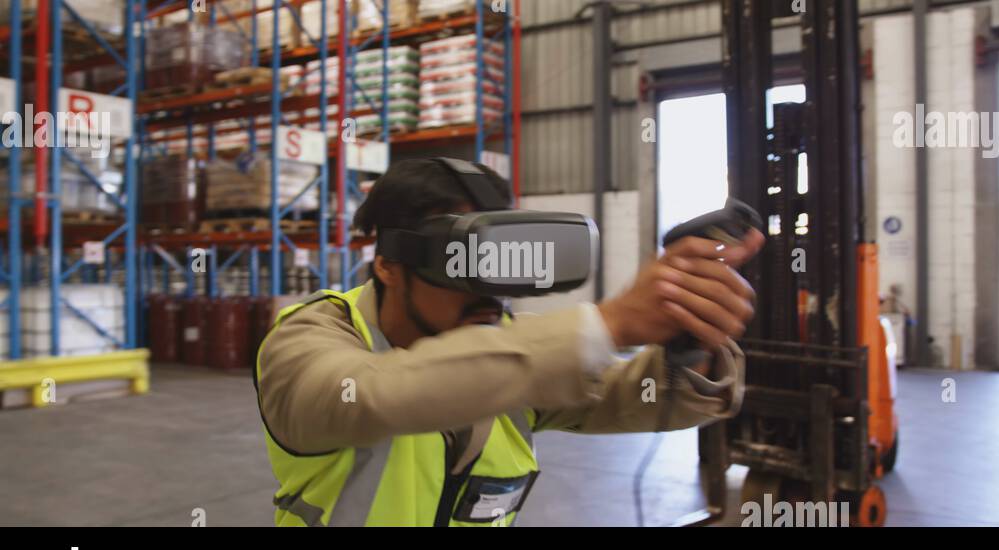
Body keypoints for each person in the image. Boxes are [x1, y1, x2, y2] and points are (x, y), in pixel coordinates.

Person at [254, 158, 765, 527]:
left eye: (497, 262)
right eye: (460, 263)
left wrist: (685, 334)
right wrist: (607, 324)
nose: (487, 292)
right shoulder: (307, 339)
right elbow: (377, 394)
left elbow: (634, 399)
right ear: (388, 263)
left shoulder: (510, 357)